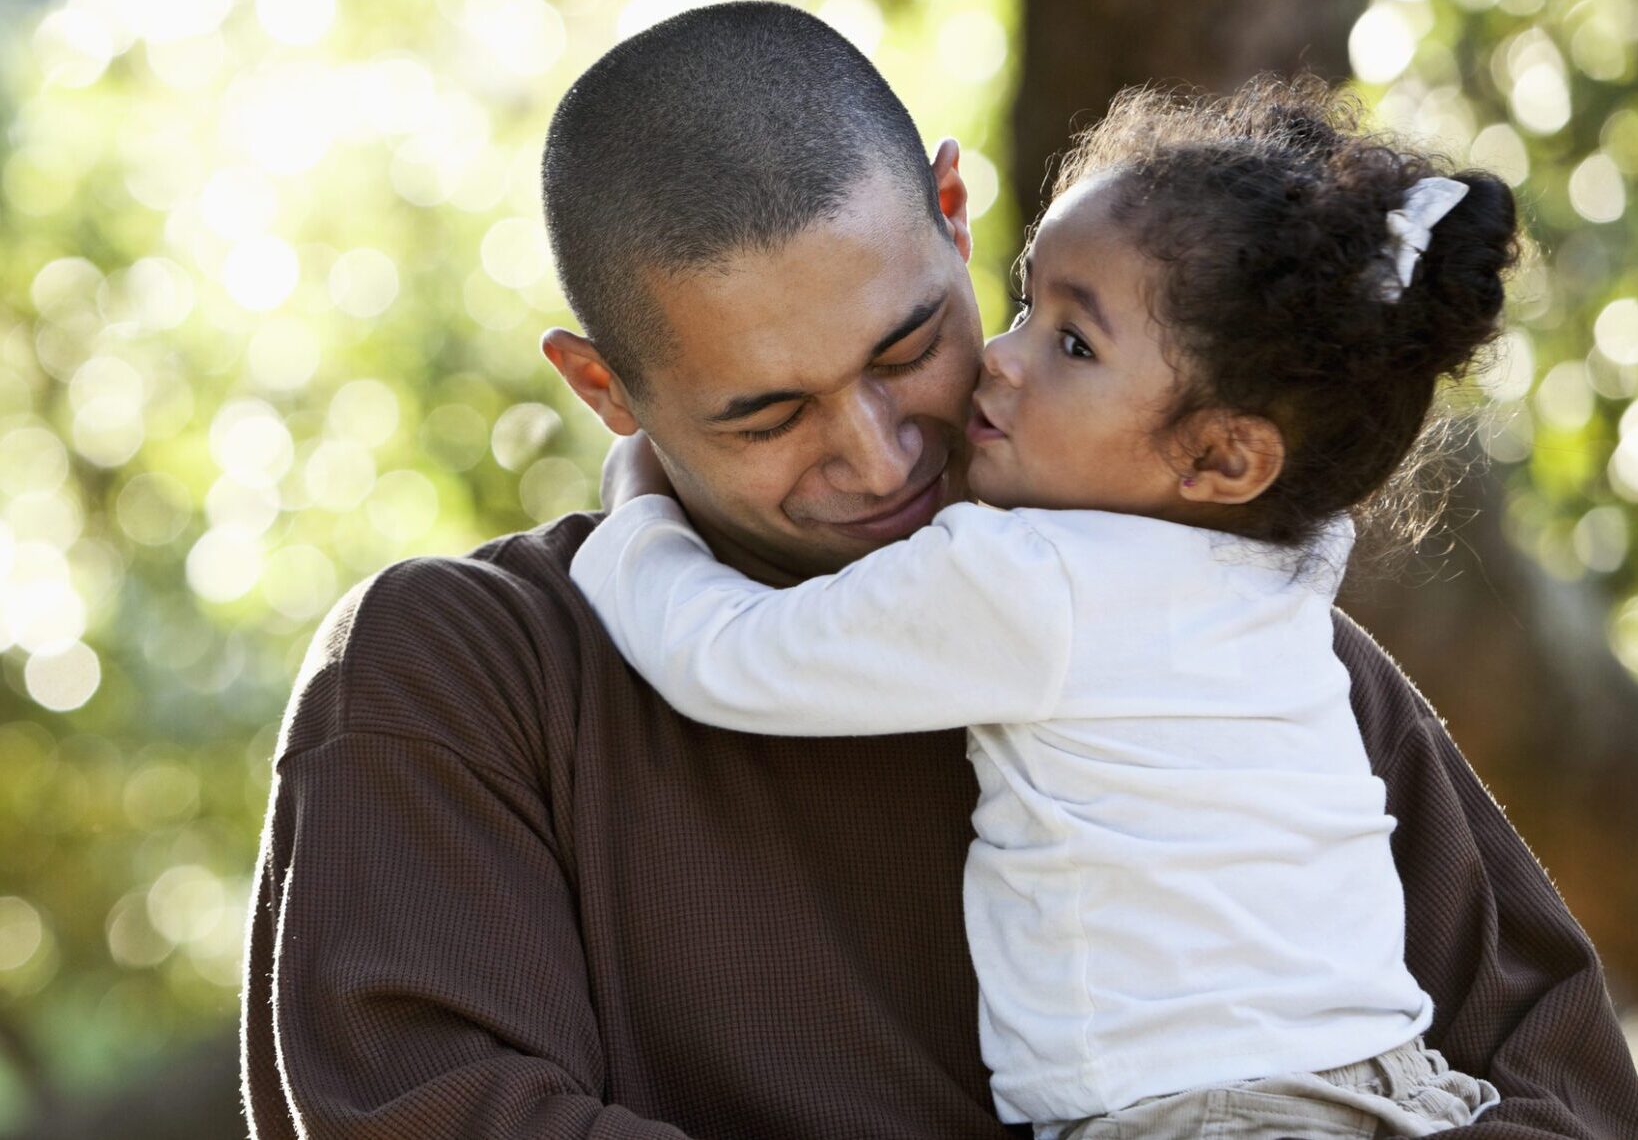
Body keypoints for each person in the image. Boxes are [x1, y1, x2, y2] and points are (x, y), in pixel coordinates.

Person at [240, 2, 1638, 1139]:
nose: (878, 452)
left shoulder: (1223, 623)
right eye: (767, 415)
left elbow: (1565, 1090)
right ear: (606, 389)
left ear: (957, 214)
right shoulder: (464, 674)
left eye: (907, 346)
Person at [565, 75, 1514, 1138]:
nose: (1002, 362)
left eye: (1072, 345)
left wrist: (636, 505)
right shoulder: (1281, 577)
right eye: (1027, 305)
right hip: (1397, 1085)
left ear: (1223, 455)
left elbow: (725, 657)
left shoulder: (1028, 578)